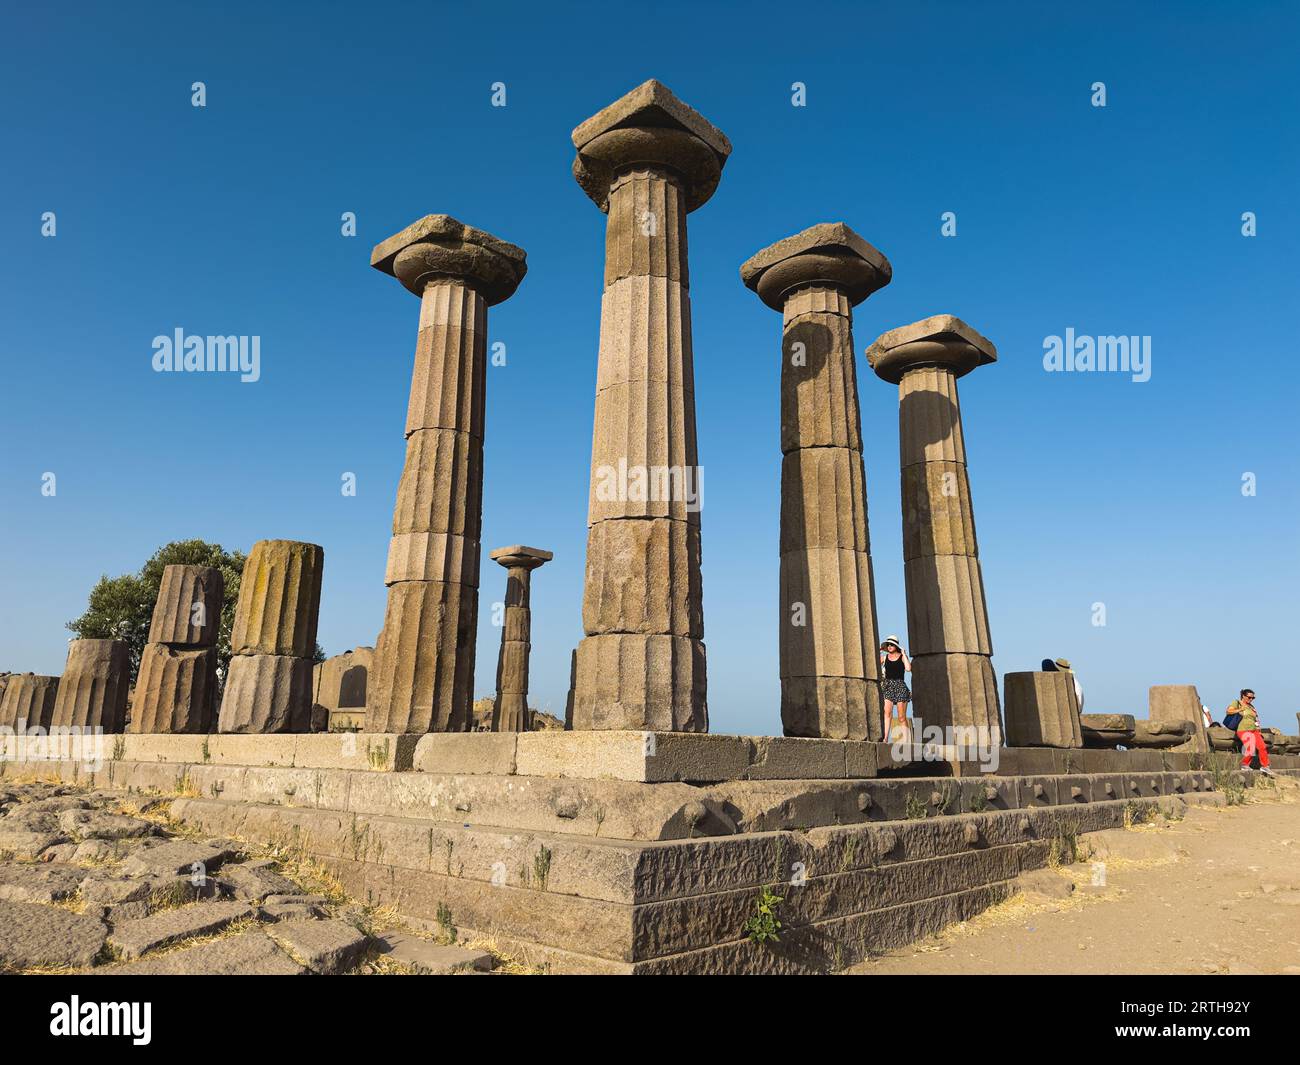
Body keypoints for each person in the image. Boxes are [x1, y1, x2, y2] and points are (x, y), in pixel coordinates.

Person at [1224, 688, 1273, 776]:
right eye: (1249, 697)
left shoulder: (1252, 707)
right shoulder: (1237, 702)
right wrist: (1240, 710)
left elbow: (1256, 720)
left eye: (1253, 698)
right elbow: (1228, 711)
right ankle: (1245, 764)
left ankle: (1265, 766)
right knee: (1251, 747)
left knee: (1262, 747)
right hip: (1243, 729)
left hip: (1254, 730)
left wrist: (1259, 731)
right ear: (1243, 696)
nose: (1251, 699)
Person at [880, 636, 911, 741]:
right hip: (888, 686)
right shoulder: (885, 657)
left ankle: (907, 741)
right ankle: (885, 738)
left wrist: (904, 654)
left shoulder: (902, 657)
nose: (889, 646)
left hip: (900, 686)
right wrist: (879, 651)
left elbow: (908, 668)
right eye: (888, 644)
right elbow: (874, 663)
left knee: (901, 716)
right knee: (887, 713)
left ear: (896, 646)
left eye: (892, 644)